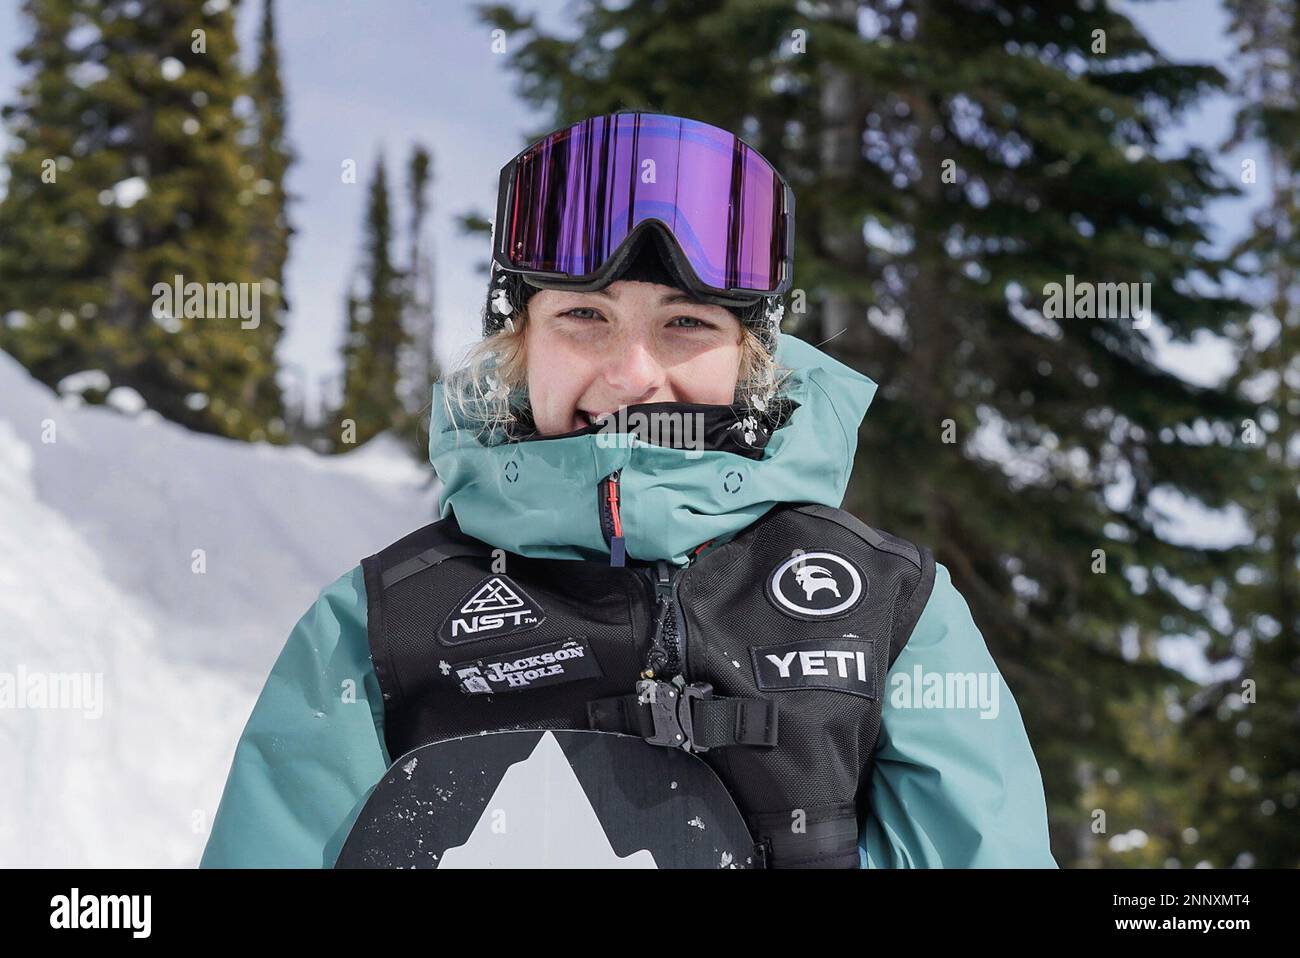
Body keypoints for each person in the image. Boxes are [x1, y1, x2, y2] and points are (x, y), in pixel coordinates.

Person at [201, 111, 1056, 869]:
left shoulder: (889, 605)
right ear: (519, 344)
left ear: (750, 359)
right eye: (584, 316)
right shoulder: (376, 624)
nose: (631, 374)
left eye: (686, 323)